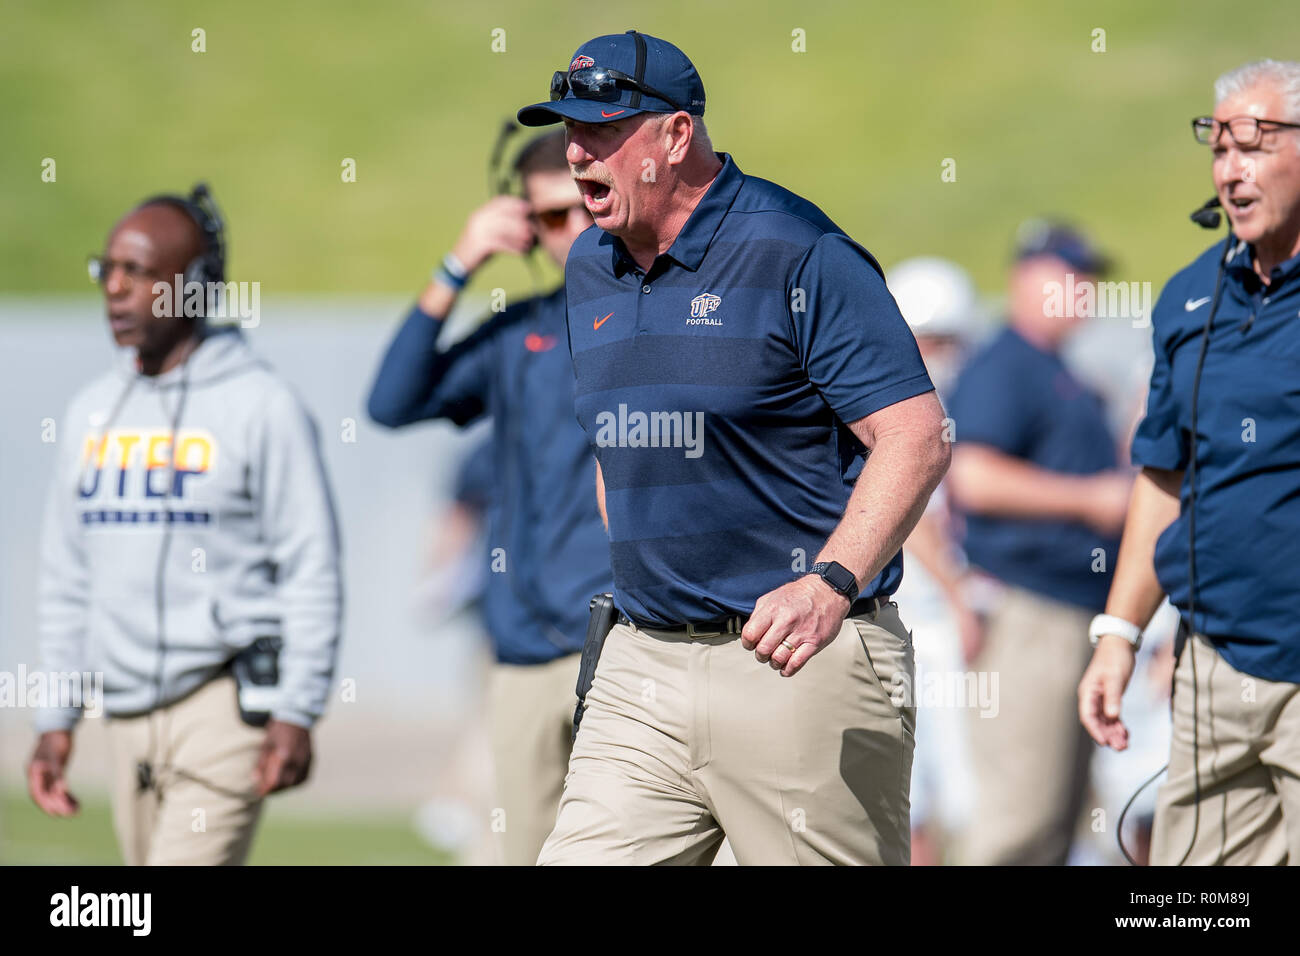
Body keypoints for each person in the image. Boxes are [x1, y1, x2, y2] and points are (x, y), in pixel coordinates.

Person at [518, 30, 949, 866]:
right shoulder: (587, 267)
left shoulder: (800, 250)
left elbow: (915, 435)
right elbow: (619, 448)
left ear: (676, 135)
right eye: (569, 133)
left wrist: (830, 583)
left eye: (601, 132)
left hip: (800, 662)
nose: (576, 155)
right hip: (640, 667)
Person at [27, 185, 343, 865]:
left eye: (136, 272)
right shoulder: (89, 412)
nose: (113, 288)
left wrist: (298, 708)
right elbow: (65, 580)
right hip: (124, 718)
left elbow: (311, 566)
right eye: (105, 269)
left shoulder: (262, 406)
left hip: (223, 708)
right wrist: (55, 717)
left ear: (194, 287)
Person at [366, 128, 612, 866]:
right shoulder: (520, 334)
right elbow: (391, 401)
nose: (575, 230)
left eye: (587, 206)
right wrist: (460, 260)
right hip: (528, 651)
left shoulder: (670, 318)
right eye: (549, 217)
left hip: (635, 647)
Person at [1079, 59, 1300, 865]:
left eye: (1257, 144)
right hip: (1212, 668)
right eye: (1219, 147)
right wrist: (1118, 632)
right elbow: (1163, 475)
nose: (1232, 169)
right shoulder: (1186, 300)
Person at [946, 221, 1132, 865]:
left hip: (1071, 614)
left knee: (1057, 821)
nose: (1084, 290)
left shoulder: (1059, 370)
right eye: (1069, 274)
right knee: (1018, 823)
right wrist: (1091, 499)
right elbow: (972, 476)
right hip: (1031, 615)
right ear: (1026, 278)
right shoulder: (1008, 363)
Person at [887, 257, 982, 865]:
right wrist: (957, 591)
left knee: (960, 801)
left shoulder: (955, 404)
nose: (940, 353)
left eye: (948, 340)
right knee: (914, 799)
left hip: (945, 618)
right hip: (915, 615)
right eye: (930, 340)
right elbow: (908, 511)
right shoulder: (889, 411)